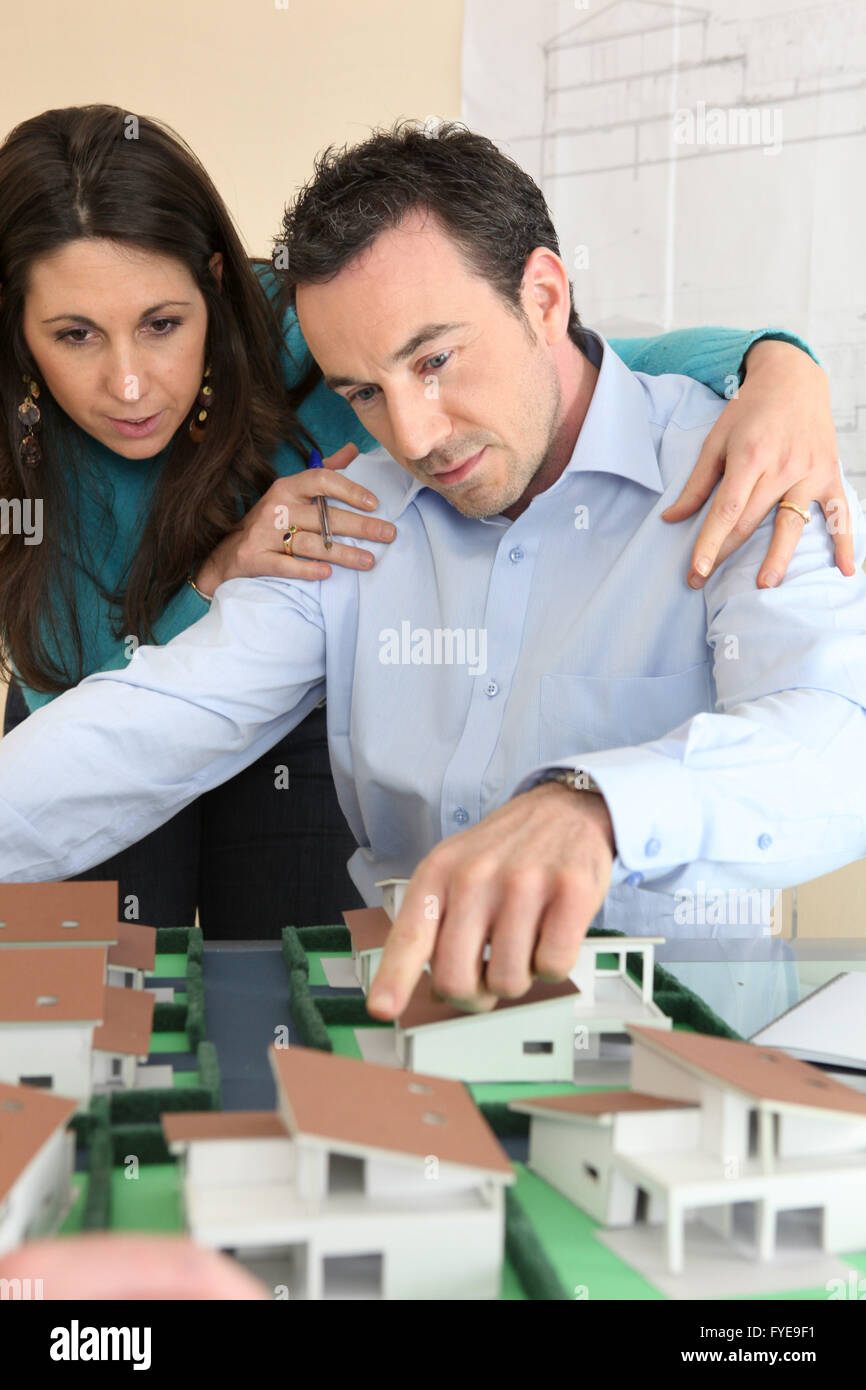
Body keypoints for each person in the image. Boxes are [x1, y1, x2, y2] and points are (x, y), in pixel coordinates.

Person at [0, 121, 861, 1021]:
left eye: (435, 360)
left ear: (543, 297)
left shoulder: (748, 466)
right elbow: (153, 722)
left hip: (696, 1069)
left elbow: (841, 738)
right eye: (364, 394)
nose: (412, 437)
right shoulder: (358, 512)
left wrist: (596, 808)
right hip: (415, 1060)